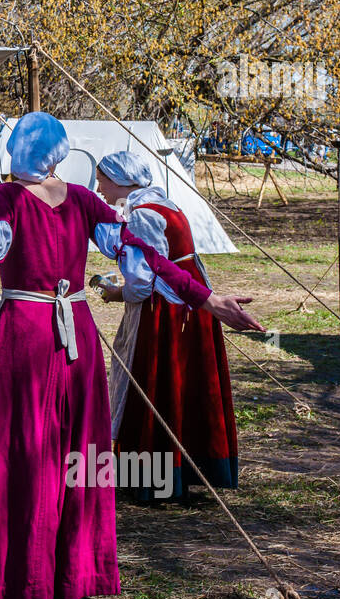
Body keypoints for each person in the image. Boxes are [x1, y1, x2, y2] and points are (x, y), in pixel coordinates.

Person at [0, 113, 263, 599]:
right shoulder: (55, 199)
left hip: (37, 336)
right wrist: (206, 298)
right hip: (59, 332)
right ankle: (50, 584)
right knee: (52, 453)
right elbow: (139, 256)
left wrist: (206, 299)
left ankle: (37, 586)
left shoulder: (25, 199)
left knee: (33, 453)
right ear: (59, 152)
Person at [94, 150, 238, 501]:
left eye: (102, 181)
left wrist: (115, 293)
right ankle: (191, 467)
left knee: (157, 386)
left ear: (120, 180)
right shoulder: (167, 204)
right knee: (186, 389)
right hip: (191, 309)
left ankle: (153, 478)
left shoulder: (142, 215)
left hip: (166, 316)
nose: (99, 188)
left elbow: (142, 282)